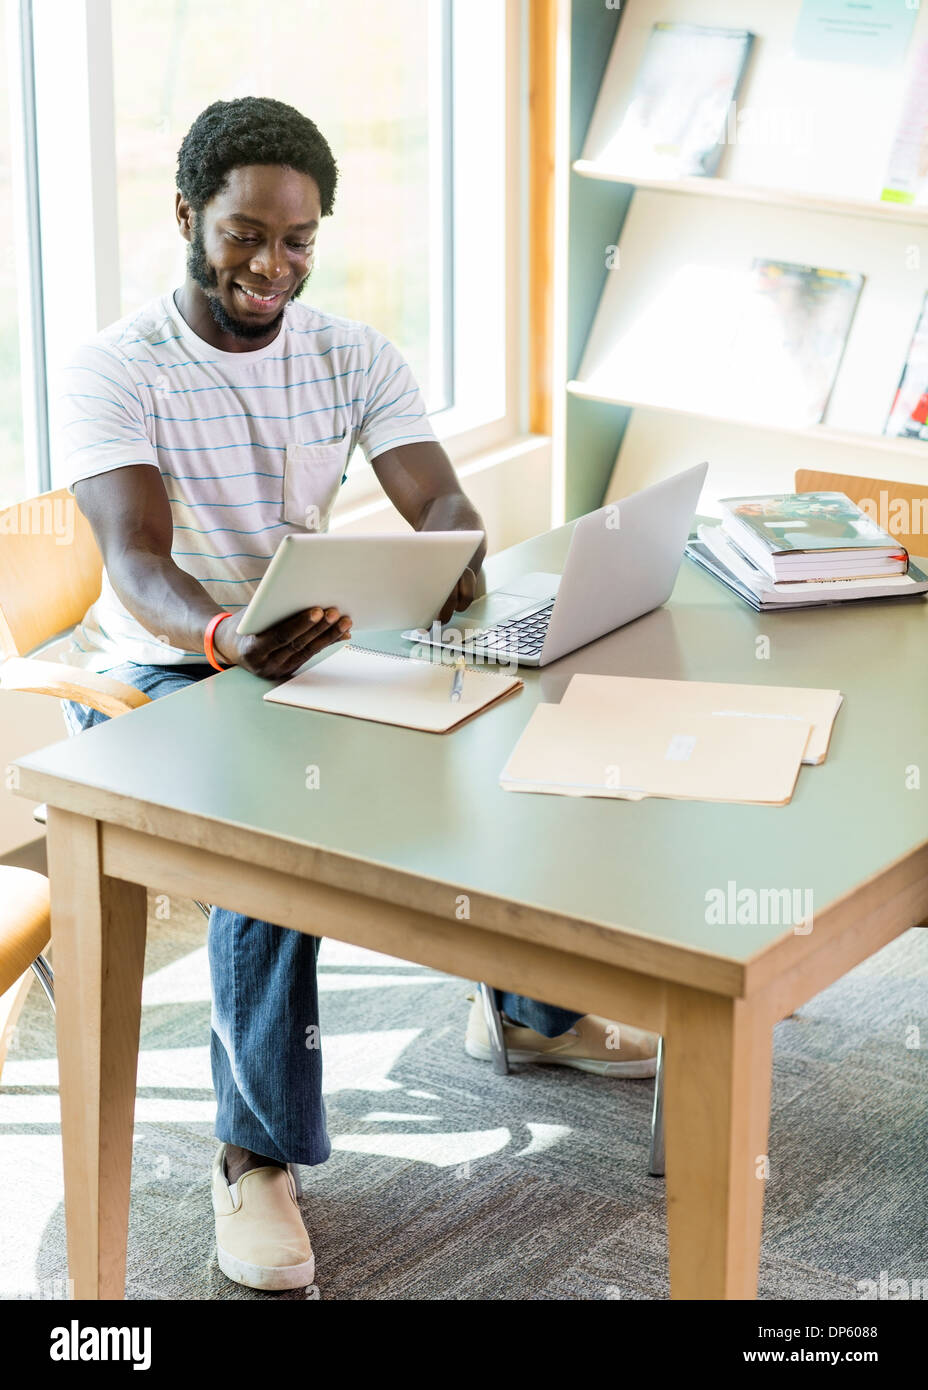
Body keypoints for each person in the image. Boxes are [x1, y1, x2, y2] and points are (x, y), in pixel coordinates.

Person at [58, 96, 657, 1292]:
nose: (270, 267)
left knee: (509, 731)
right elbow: (136, 562)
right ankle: (253, 1155)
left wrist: (450, 554)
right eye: (243, 236)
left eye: (297, 241)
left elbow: (438, 501)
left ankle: (531, 1012)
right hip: (160, 673)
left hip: (313, 651)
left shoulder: (350, 353)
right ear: (186, 215)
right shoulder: (117, 370)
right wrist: (227, 636)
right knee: (278, 853)